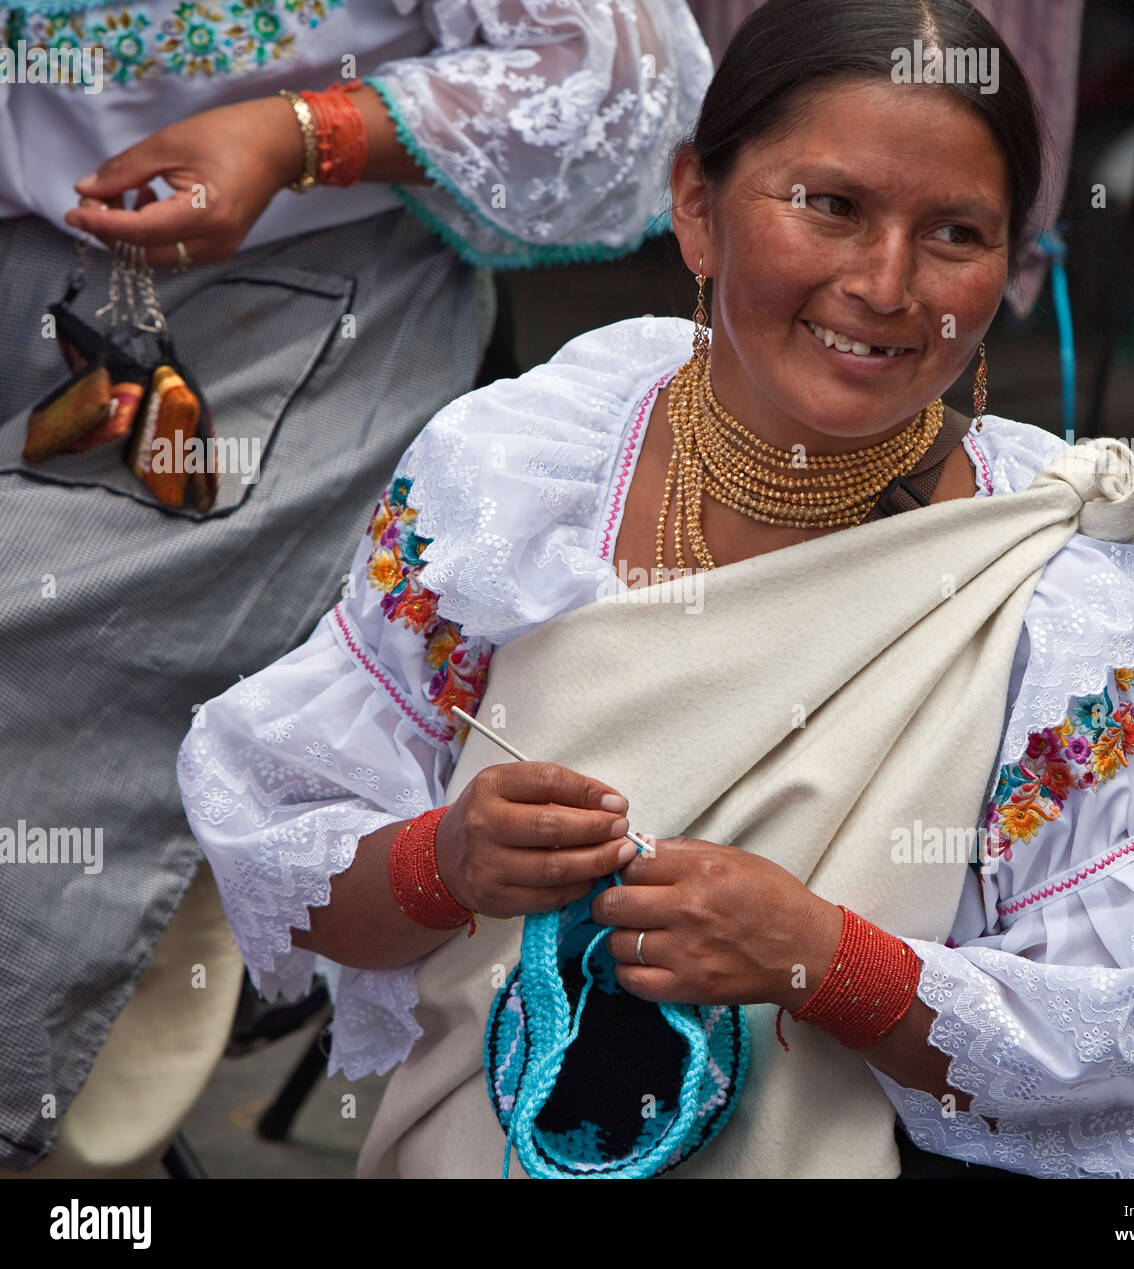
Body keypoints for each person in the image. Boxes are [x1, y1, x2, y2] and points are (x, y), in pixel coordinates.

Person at [179, 0, 1134, 1178]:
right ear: (697, 208)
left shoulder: (1058, 600)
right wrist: (444, 864)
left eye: (955, 233)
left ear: (1013, 262)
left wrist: (825, 959)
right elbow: (292, 865)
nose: (884, 283)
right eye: (831, 206)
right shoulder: (513, 477)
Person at [0, 0, 711, 1175]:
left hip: (281, 309)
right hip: (40, 277)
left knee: (56, 659)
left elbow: (622, 80)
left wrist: (298, 135)